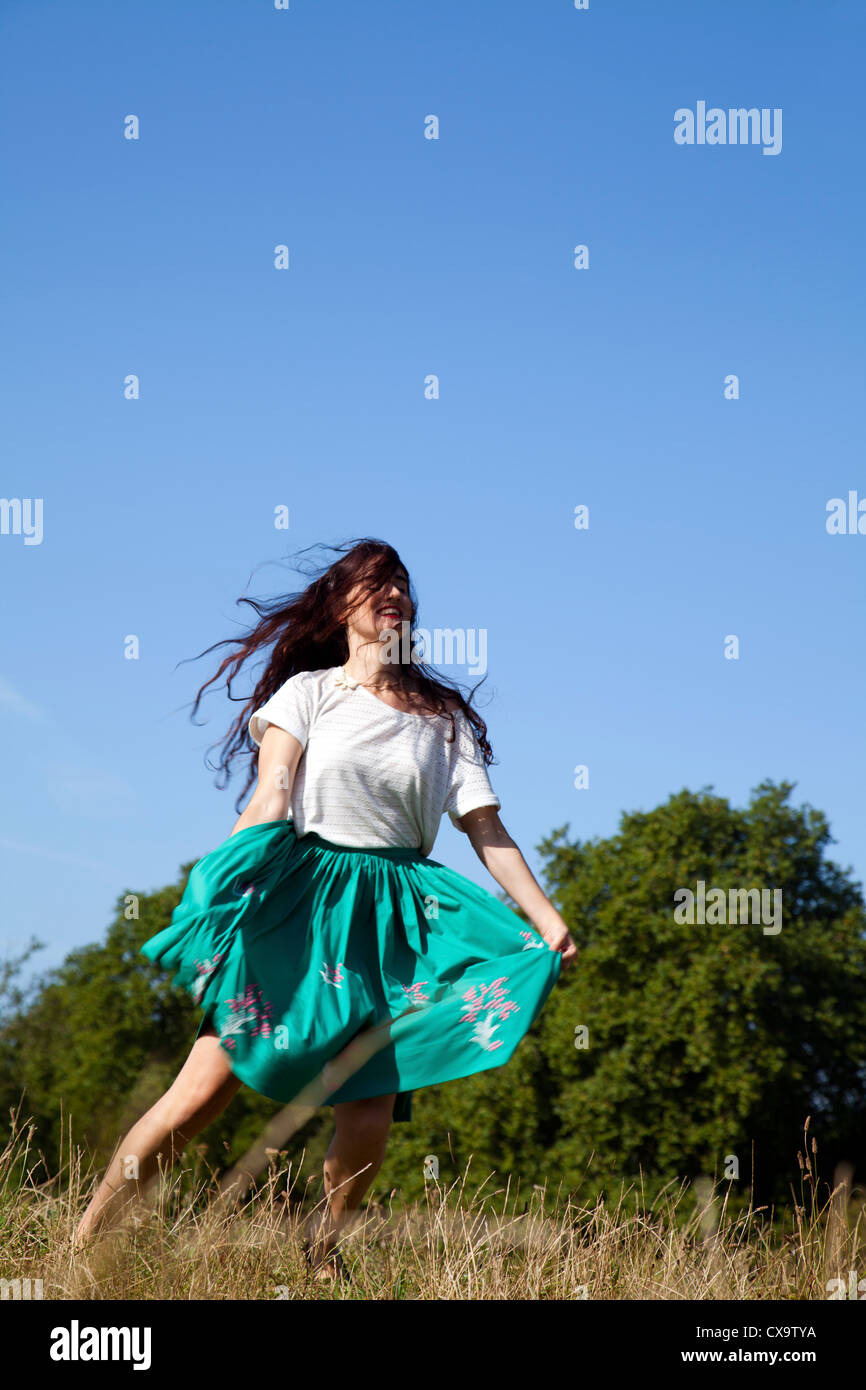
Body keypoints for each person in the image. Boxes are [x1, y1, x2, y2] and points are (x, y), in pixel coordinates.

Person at [73, 538, 577, 1278]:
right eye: (376, 584)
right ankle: (87, 1238)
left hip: (396, 921)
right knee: (201, 1093)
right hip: (304, 906)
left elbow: (486, 829)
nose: (394, 594)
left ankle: (323, 1256)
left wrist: (546, 917)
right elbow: (271, 793)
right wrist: (225, 883)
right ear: (341, 606)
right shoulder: (308, 694)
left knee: (368, 1106)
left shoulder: (443, 720)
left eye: (401, 583)